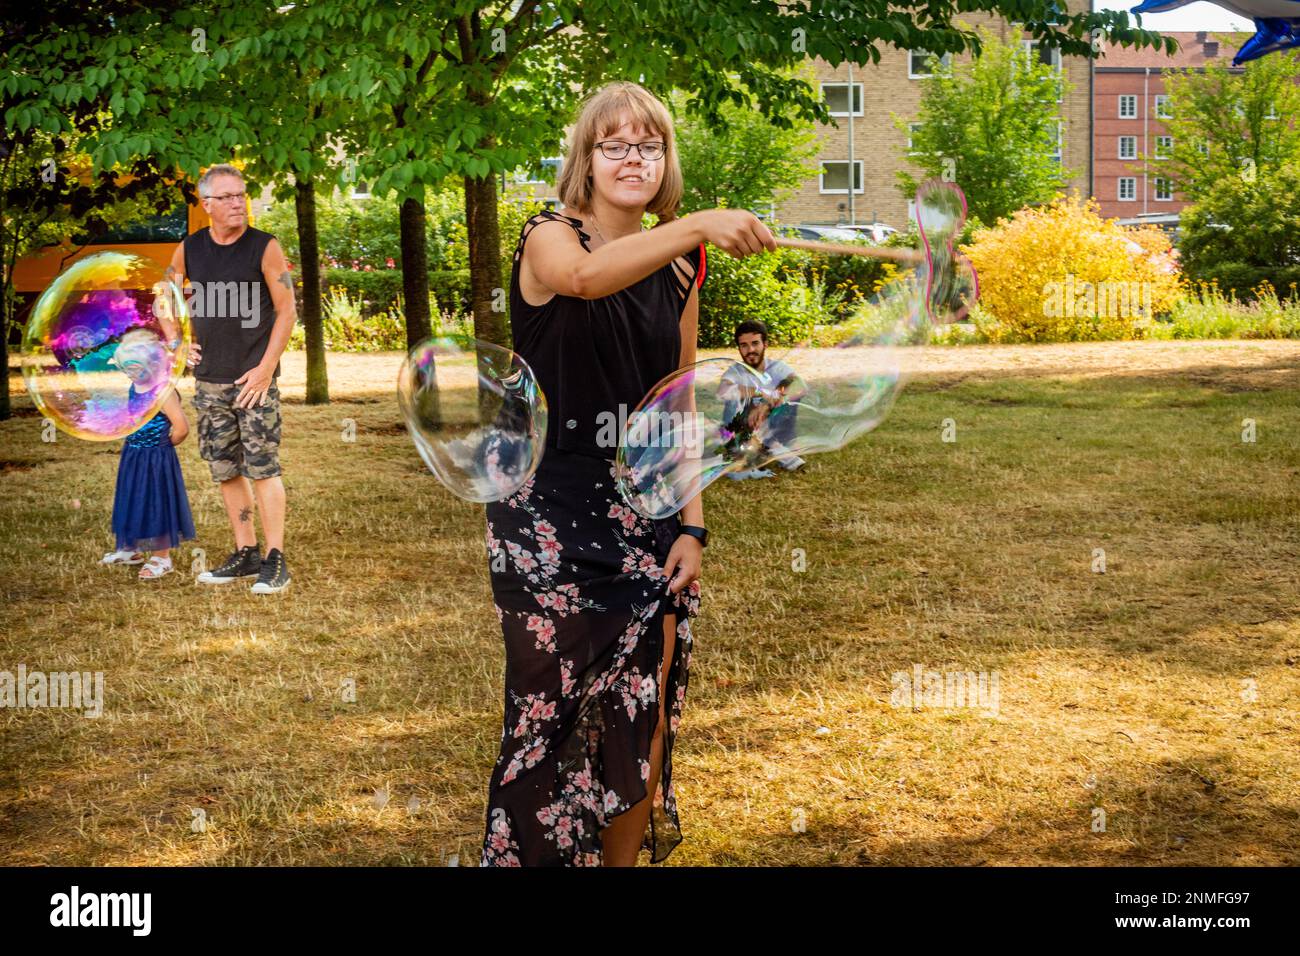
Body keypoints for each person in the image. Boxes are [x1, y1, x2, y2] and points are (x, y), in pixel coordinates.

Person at [479, 81, 776, 867]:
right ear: (587, 157)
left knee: (636, 715)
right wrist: (696, 223)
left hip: (645, 516)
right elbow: (584, 280)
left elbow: (676, 408)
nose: (633, 158)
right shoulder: (547, 236)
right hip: (548, 512)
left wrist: (692, 523)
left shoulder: (683, 266)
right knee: (547, 719)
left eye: (649, 145)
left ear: (666, 159)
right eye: (616, 144)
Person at [167, 163, 296, 594]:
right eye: (228, 197)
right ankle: (246, 552)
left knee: (262, 468)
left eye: (241, 195)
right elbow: (165, 297)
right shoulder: (190, 249)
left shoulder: (265, 247)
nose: (239, 203)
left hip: (252, 381)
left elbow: (287, 310)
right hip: (209, 381)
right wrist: (182, 344)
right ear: (207, 205)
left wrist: (265, 368)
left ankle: (275, 560)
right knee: (225, 469)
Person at [100, 375, 196, 581]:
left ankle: (161, 557)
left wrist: (160, 446)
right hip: (133, 454)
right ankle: (130, 549)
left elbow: (182, 429)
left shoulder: (164, 392)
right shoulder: (135, 385)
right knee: (132, 497)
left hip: (155, 458)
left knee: (156, 502)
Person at [720, 319, 805, 480]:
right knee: (734, 397)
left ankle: (766, 446)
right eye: (744, 345)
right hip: (744, 430)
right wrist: (760, 393)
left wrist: (766, 406)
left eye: (755, 343)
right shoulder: (735, 371)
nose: (750, 350)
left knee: (788, 390)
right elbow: (723, 390)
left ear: (765, 344)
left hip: (773, 426)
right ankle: (765, 449)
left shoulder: (776, 368)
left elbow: (799, 385)